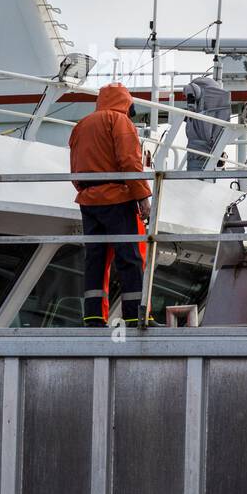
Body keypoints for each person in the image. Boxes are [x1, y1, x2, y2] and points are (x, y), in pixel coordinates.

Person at [69, 83, 152, 326]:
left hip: (88, 199)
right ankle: (135, 315)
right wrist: (142, 196)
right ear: (126, 102)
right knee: (130, 257)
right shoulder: (120, 121)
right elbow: (129, 162)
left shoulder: (81, 125)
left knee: (96, 257)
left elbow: (75, 167)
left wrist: (88, 191)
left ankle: (94, 316)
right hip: (118, 197)